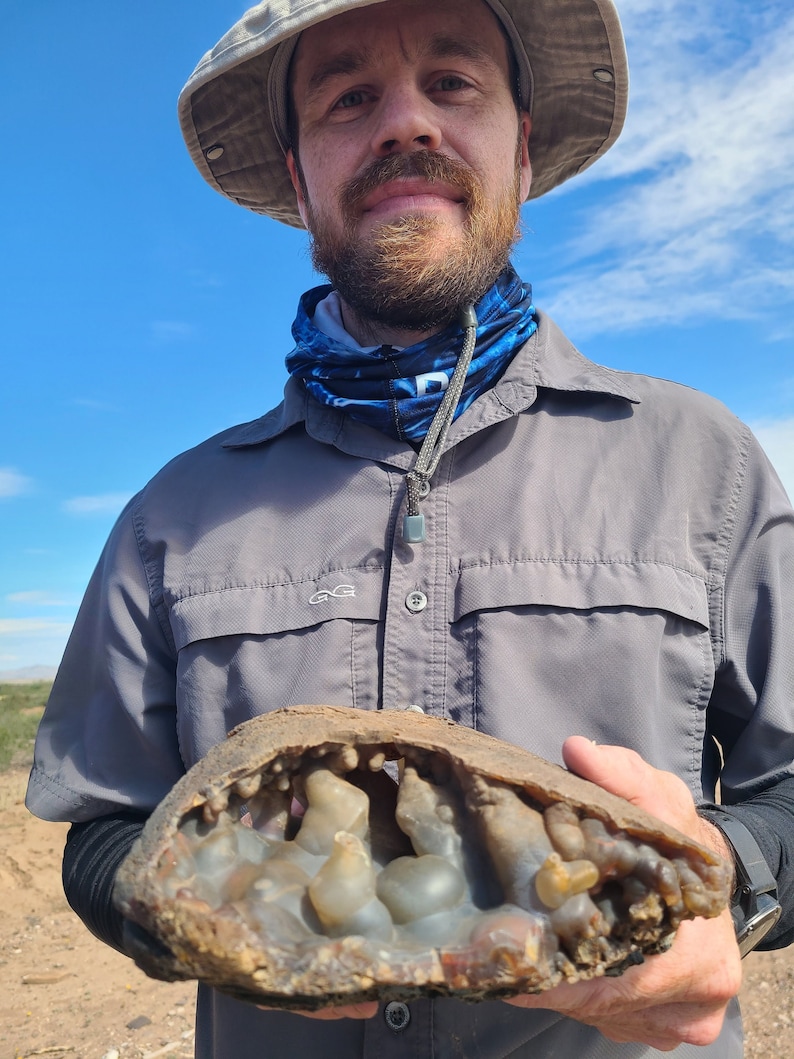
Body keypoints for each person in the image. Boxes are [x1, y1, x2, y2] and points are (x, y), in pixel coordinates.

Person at [26, 0, 794, 1055]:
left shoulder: (700, 466)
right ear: (299, 180)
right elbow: (100, 827)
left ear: (520, 151)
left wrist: (725, 886)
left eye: (452, 84)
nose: (405, 125)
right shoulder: (170, 518)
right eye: (349, 96)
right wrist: (187, 917)